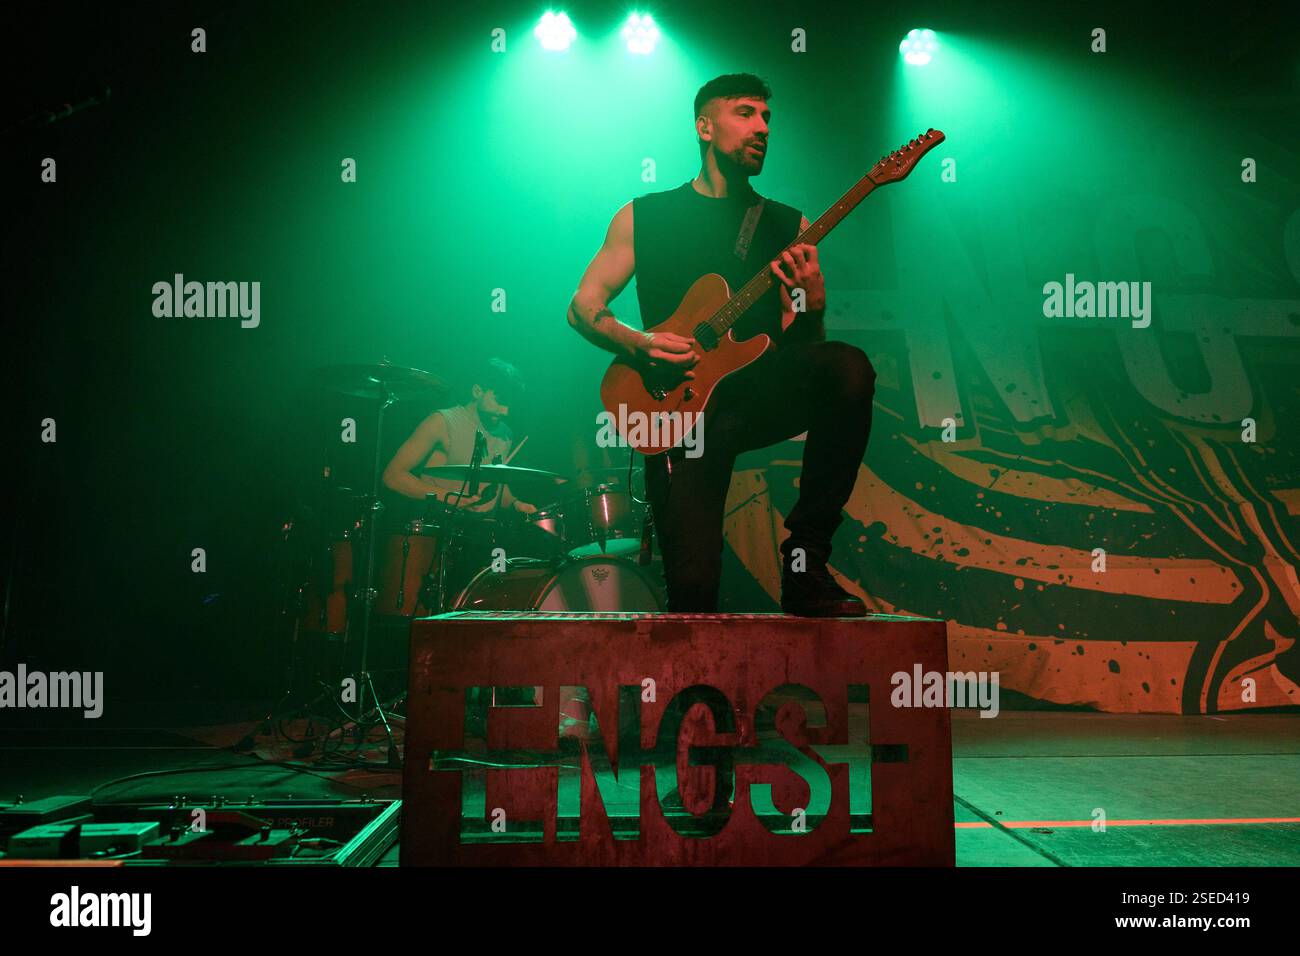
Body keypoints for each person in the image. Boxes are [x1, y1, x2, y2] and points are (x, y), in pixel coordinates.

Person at [565, 73, 875, 616]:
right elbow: (583, 306)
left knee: (848, 368)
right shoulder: (644, 216)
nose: (762, 127)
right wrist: (639, 344)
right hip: (678, 408)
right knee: (694, 592)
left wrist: (812, 305)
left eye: (767, 117)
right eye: (746, 113)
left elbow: (802, 349)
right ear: (704, 127)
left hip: (757, 395)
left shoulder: (789, 225)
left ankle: (805, 560)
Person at [382, 357, 537, 516]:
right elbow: (393, 476)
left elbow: (494, 485)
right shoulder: (441, 421)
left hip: (480, 527)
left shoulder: (505, 434)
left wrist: (515, 503)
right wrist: (452, 499)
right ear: (477, 391)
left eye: (509, 403)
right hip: (437, 523)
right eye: (500, 400)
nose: (505, 411)